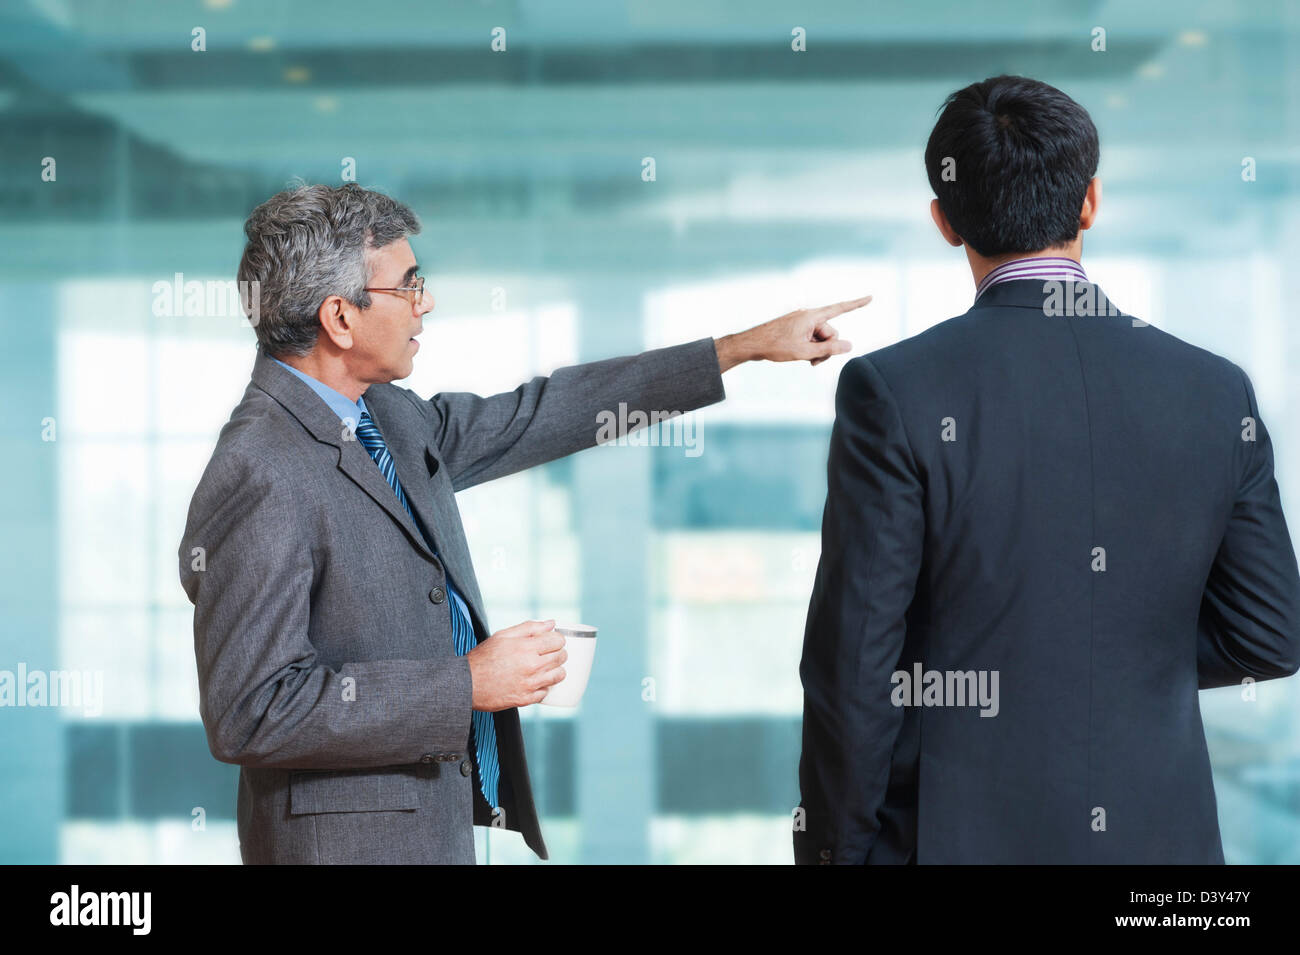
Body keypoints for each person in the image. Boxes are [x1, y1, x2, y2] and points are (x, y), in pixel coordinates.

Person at [179, 181, 870, 864]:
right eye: (409, 285)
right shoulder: (260, 467)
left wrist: (739, 348)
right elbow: (252, 709)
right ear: (339, 317)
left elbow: (539, 413)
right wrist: (467, 683)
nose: (429, 302)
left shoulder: (387, 416)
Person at [795, 74, 1300, 864]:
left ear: (945, 220)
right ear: (1090, 202)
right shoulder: (1212, 388)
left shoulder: (895, 391)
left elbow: (853, 664)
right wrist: (1113, 656)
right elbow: (1272, 633)